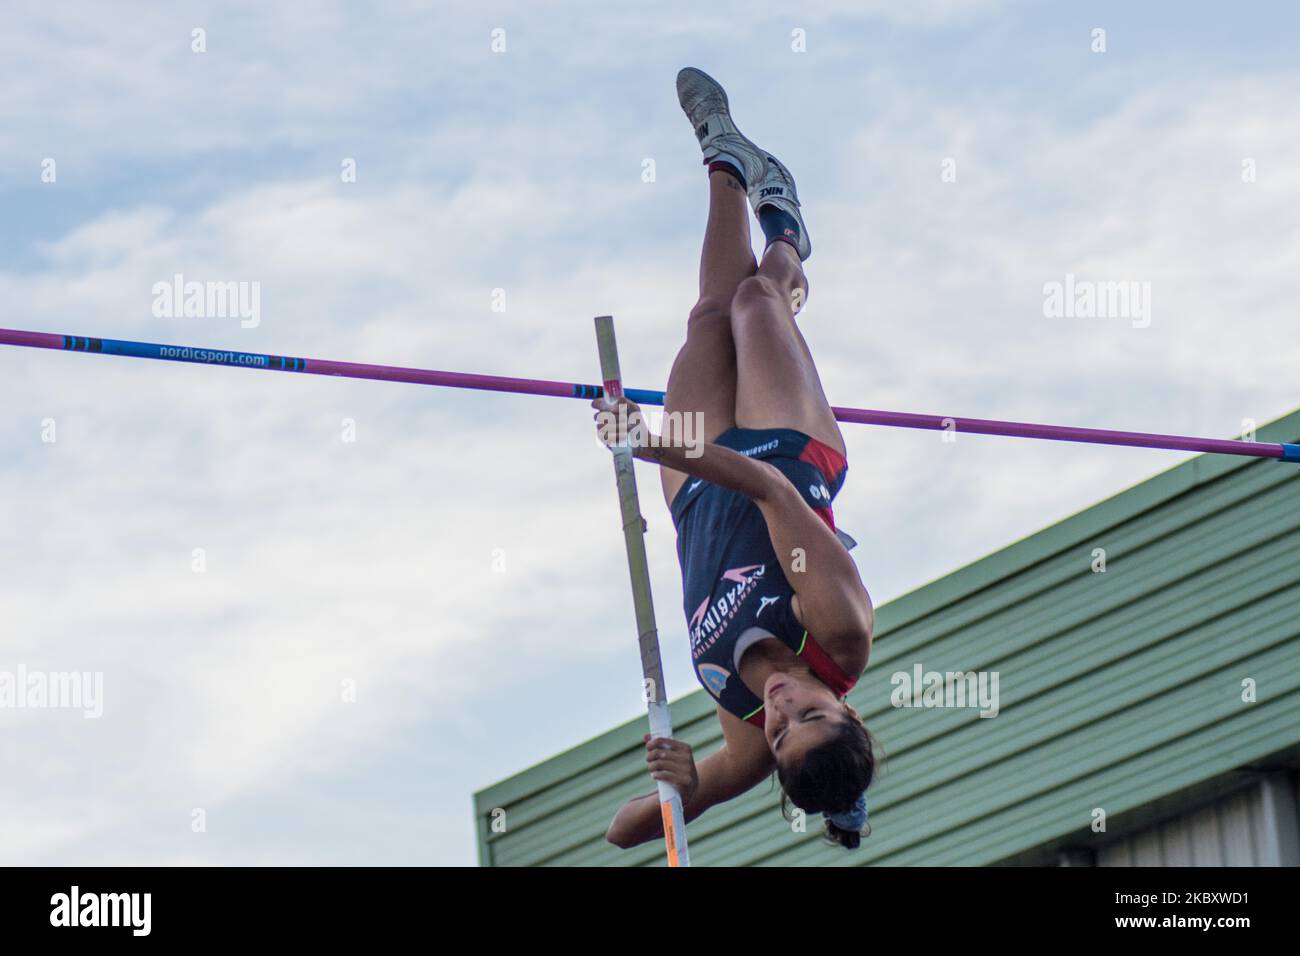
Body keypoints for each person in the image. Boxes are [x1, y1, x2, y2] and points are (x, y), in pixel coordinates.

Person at [596, 68, 876, 851]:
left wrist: (682, 789)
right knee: (758, 300)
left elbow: (624, 835)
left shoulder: (745, 728)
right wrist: (648, 439)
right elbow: (763, 484)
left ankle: (721, 157)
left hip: (690, 488)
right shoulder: (839, 632)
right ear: (847, 707)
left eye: (784, 734)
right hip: (781, 454)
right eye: (813, 715)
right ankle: (785, 228)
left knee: (708, 315)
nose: (785, 711)